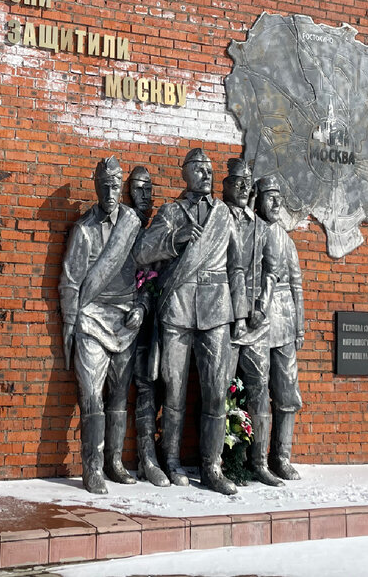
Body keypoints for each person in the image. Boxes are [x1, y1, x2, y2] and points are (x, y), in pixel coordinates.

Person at [135, 148, 245, 495]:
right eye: (199, 169)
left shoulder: (224, 215)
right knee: (174, 391)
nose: (207, 174)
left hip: (216, 309)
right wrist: (174, 239)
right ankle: (170, 460)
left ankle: (213, 467)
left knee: (215, 392)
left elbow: (237, 266)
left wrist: (239, 316)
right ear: (184, 173)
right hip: (178, 308)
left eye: (210, 170)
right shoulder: (170, 212)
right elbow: (141, 253)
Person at [60, 156, 145, 493]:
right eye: (104, 185)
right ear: (95, 186)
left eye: (115, 185)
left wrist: (142, 306)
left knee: (120, 397)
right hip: (91, 320)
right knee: (92, 397)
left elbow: (147, 273)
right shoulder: (83, 230)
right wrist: (71, 321)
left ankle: (115, 462)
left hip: (125, 320)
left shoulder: (132, 224)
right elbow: (69, 281)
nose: (111, 191)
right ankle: (92, 468)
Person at [223, 159, 282, 486]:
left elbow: (271, 269)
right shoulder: (219, 219)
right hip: (227, 321)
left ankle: (258, 462)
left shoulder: (261, 227)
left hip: (257, 323)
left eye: (248, 183)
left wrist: (263, 304)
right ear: (226, 185)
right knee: (219, 392)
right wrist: (238, 313)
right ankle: (222, 462)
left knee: (260, 392)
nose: (244, 188)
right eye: (238, 182)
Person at [248, 175, 305, 482]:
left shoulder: (285, 238)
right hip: (254, 323)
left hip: (283, 321)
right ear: (257, 198)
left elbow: (296, 284)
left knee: (286, 392)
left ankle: (281, 456)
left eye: (278, 197)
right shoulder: (250, 230)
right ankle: (254, 458)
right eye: (269, 196)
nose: (275, 202)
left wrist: (299, 327)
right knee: (255, 391)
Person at [125, 165, 168, 486]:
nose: (145, 197)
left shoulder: (156, 231)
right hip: (119, 320)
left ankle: (152, 456)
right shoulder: (123, 228)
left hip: (152, 322)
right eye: (139, 190)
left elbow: (157, 276)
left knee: (153, 388)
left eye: (149, 191)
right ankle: (136, 458)